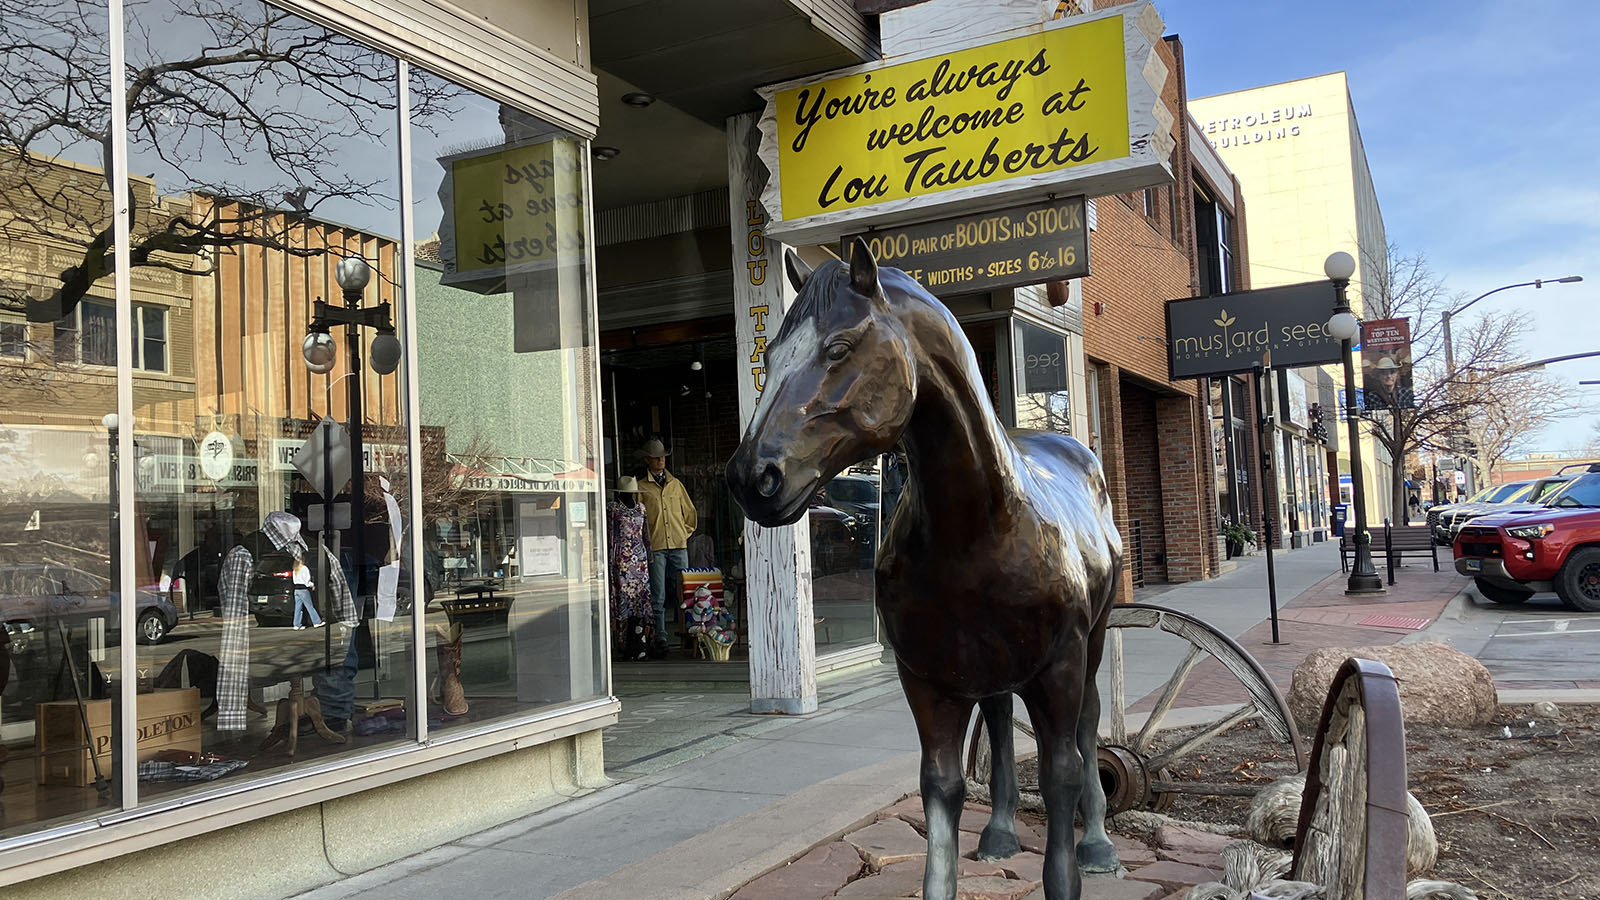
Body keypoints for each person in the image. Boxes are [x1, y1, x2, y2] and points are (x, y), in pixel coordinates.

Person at [637, 438, 696, 658]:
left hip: (678, 545)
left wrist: (684, 532)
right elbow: (638, 519)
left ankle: (689, 631)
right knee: (658, 594)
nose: (661, 460)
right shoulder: (641, 487)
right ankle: (661, 635)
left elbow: (689, 513)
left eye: (663, 456)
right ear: (648, 460)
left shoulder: (676, 485)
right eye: (656, 457)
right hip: (657, 546)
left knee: (685, 591)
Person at [606, 476, 652, 661]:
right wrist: (609, 560)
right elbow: (610, 534)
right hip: (622, 561)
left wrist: (650, 556)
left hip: (640, 561)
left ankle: (641, 644)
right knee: (623, 601)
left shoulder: (641, 508)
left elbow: (646, 533)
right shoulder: (613, 509)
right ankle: (624, 645)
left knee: (640, 602)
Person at [291, 561, 324, 630]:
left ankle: (296, 624)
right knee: (309, 606)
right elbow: (306, 581)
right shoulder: (304, 568)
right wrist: (312, 585)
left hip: (296, 590)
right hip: (303, 589)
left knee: (298, 608)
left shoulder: (295, 568)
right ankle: (317, 622)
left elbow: (294, 580)